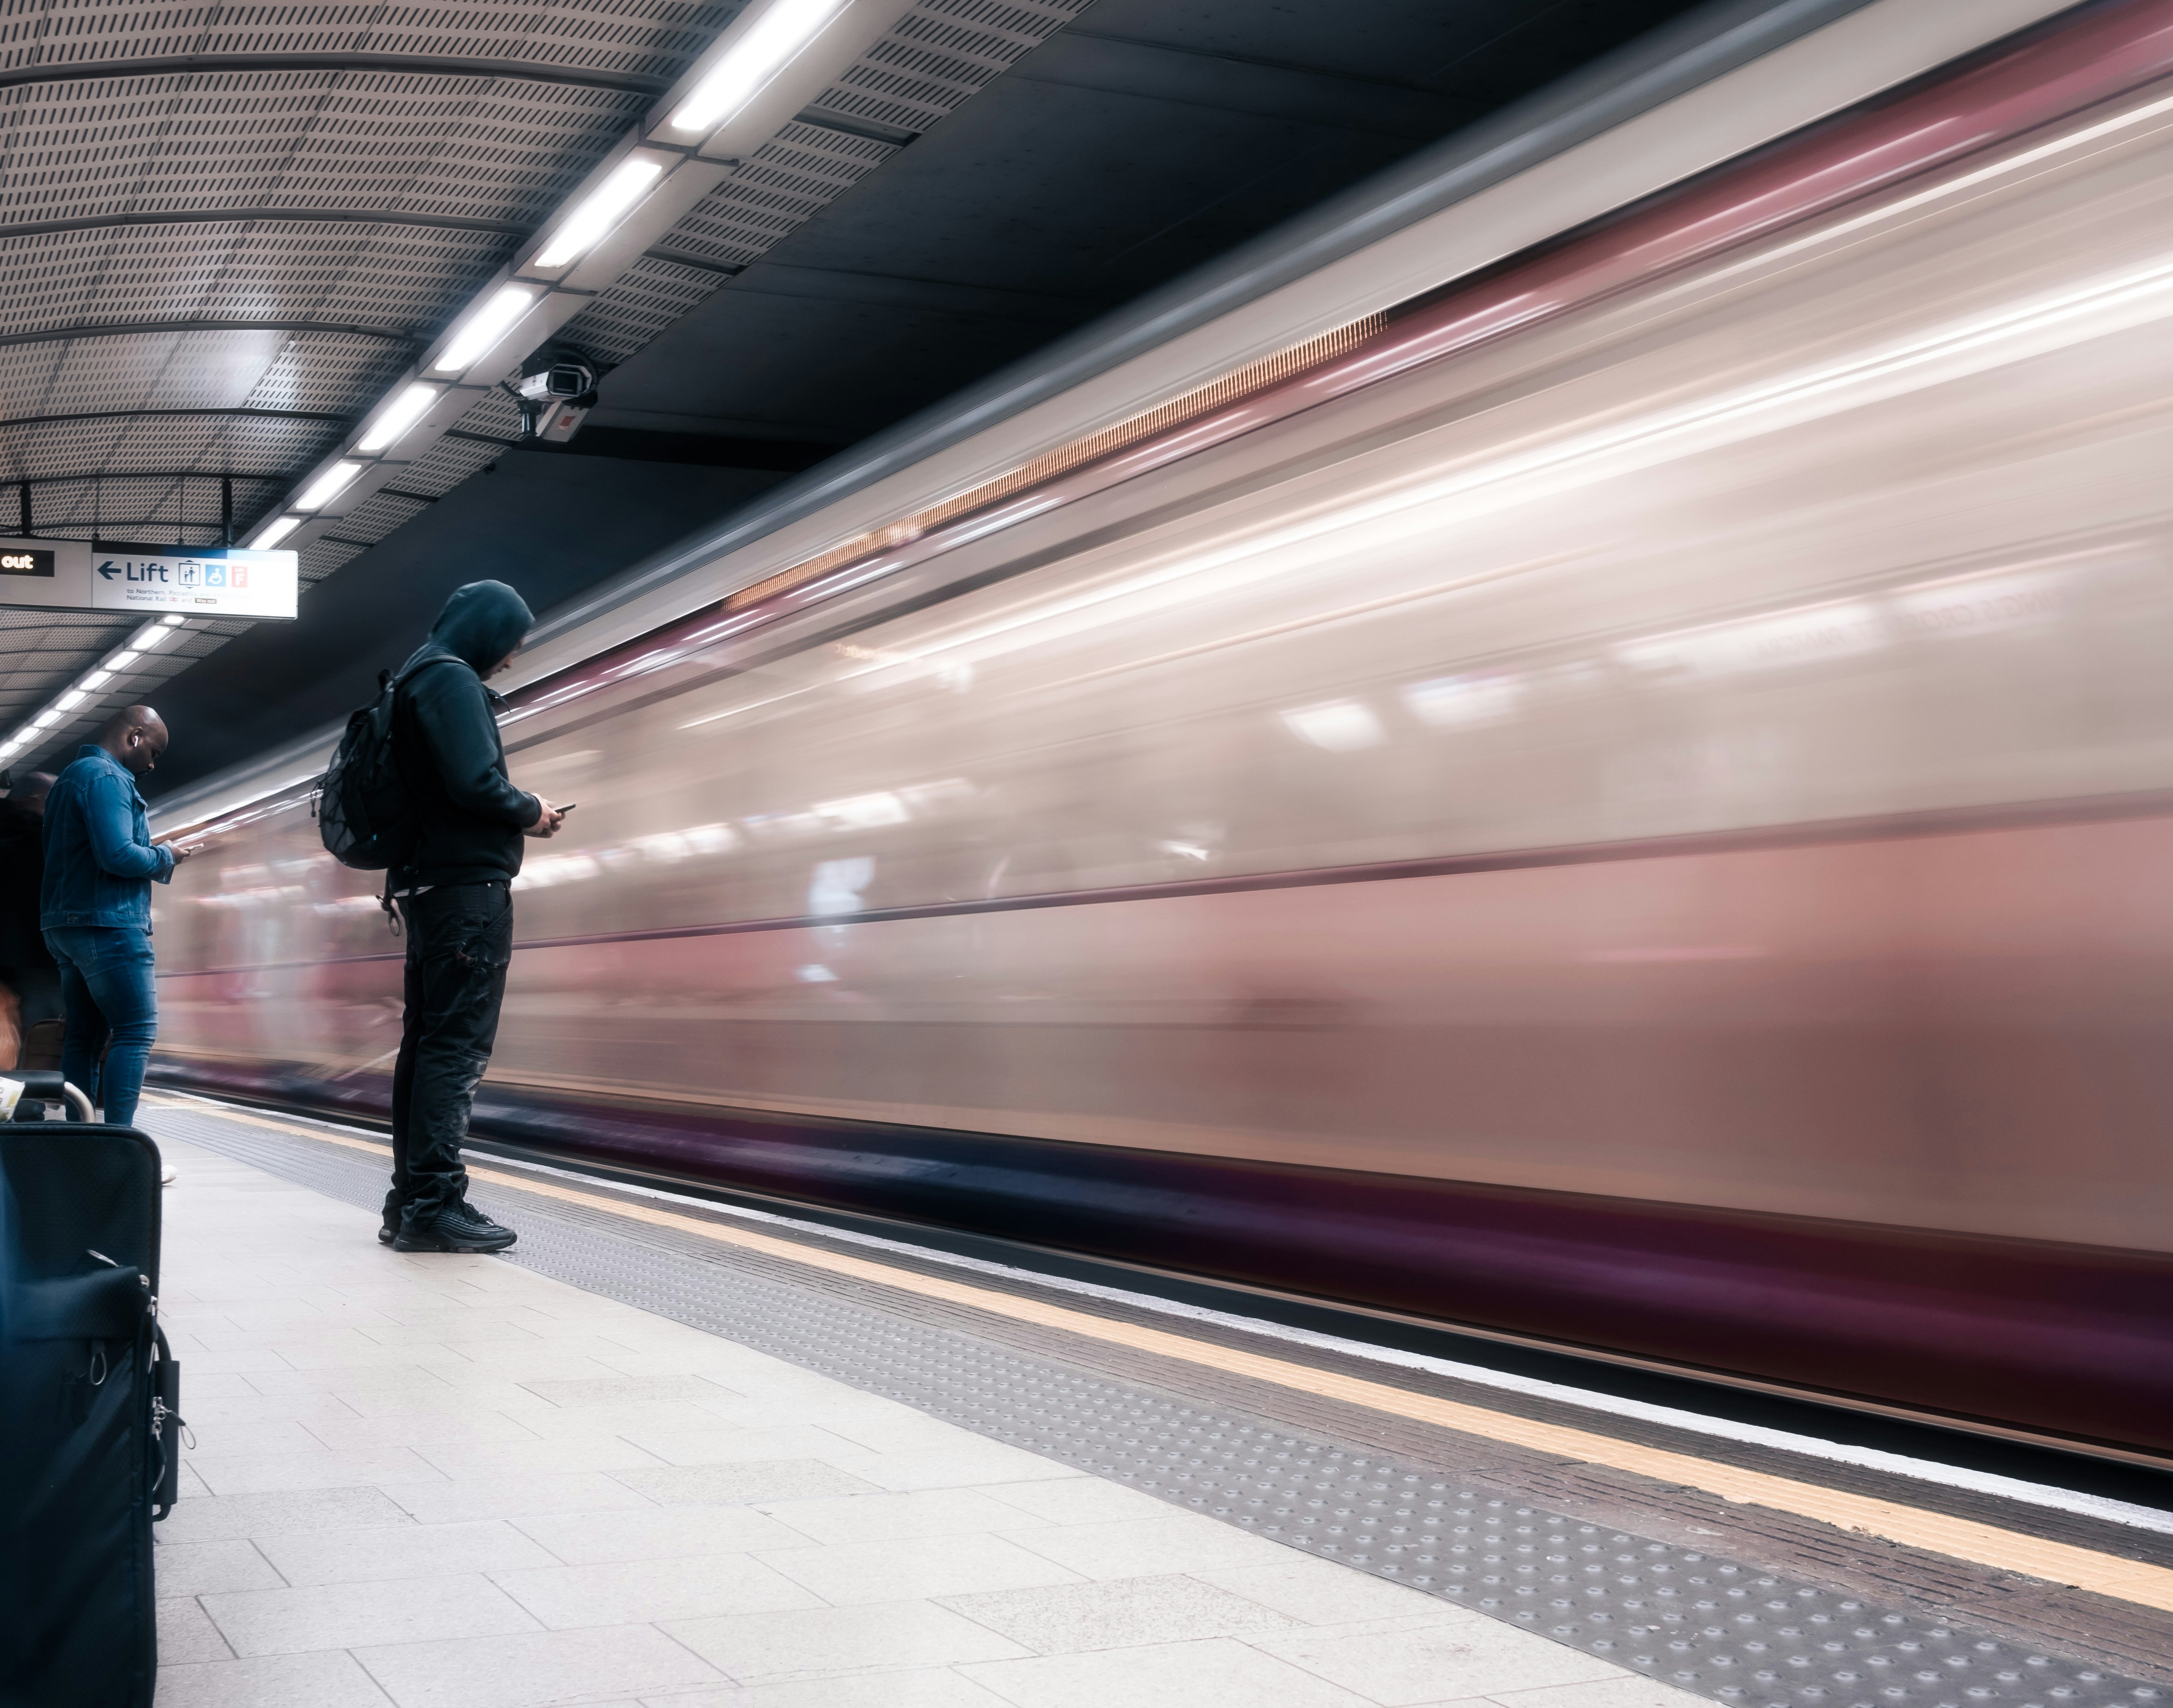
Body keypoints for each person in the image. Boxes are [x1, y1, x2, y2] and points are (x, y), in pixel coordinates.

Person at [380, 581, 566, 1254]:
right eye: (511, 646)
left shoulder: (414, 677)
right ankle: (433, 1202)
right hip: (466, 893)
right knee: (454, 1050)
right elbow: (474, 782)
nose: (511, 661)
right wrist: (531, 812)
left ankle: (408, 1201)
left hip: (432, 886)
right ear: (485, 632)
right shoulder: (450, 679)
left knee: (426, 1045)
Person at [40, 709, 194, 1130]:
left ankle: (77, 1139)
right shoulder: (106, 778)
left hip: (66, 925)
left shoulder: (69, 778)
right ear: (135, 736)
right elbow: (119, 855)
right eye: (153, 752)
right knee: (136, 1031)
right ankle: (118, 1146)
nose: (151, 764)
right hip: (106, 924)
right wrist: (167, 855)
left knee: (84, 1039)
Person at [0, 771, 60, 1067]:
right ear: (31, 801)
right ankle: (25, 1107)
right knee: (38, 1031)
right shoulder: (37, 839)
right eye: (55, 802)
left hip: (16, 958)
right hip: (32, 957)